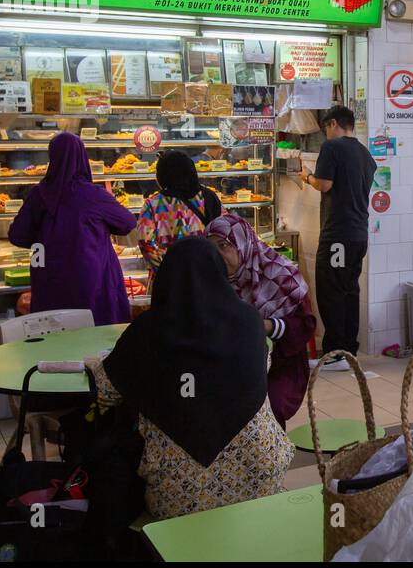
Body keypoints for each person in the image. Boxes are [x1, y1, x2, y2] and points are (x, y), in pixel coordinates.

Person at [84, 237, 295, 519]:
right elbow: (260, 367)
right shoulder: (249, 321)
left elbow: (104, 392)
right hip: (259, 478)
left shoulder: (147, 331)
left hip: (179, 496)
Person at [9, 132, 138, 325]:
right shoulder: (93, 194)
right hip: (91, 278)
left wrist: (45, 239)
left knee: (55, 336)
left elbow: (17, 235)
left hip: (48, 278)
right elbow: (127, 222)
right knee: (94, 337)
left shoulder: (39, 193)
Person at [207, 213, 317, 427]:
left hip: (282, 363)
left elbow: (306, 326)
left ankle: (271, 458)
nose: (218, 255)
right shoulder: (212, 281)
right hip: (233, 363)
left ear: (242, 243)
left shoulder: (282, 274)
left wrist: (268, 326)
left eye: (224, 245)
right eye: (212, 248)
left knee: (267, 407)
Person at [302, 105, 377, 370]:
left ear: (333, 123)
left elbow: (324, 184)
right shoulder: (365, 153)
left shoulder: (332, 148)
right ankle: (348, 350)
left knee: (331, 290)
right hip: (358, 233)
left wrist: (307, 176)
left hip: (338, 235)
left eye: (326, 128)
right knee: (348, 289)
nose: (326, 133)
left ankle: (335, 353)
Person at [137, 151, 224, 288]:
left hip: (170, 285)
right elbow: (224, 233)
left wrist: (169, 272)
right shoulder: (209, 197)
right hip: (207, 278)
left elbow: (146, 244)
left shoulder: (153, 205)